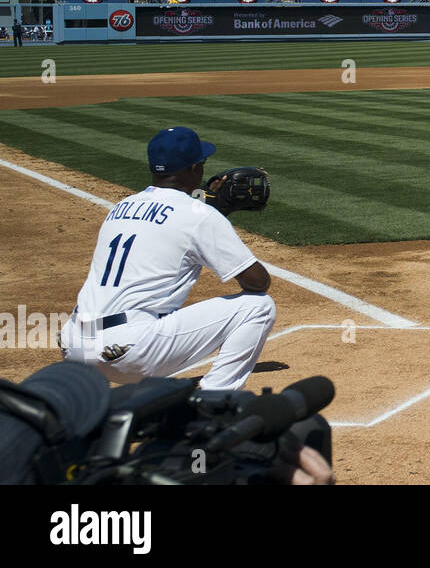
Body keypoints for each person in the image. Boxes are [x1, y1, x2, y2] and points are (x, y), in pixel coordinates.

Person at [59, 127, 276, 391]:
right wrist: (218, 215)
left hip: (74, 346)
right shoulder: (200, 215)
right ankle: (215, 398)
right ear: (195, 168)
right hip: (128, 352)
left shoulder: (120, 206)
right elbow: (257, 282)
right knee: (259, 307)